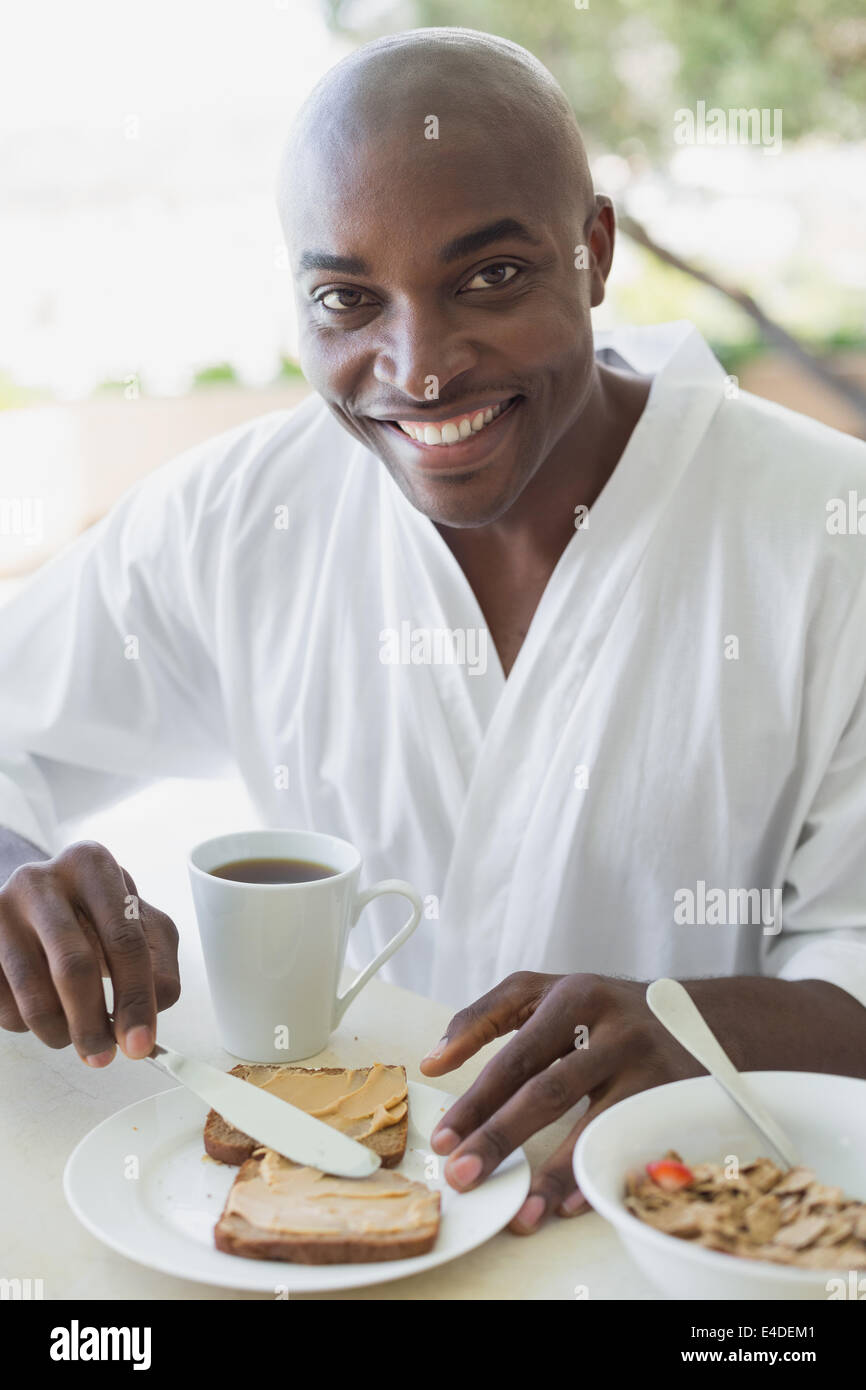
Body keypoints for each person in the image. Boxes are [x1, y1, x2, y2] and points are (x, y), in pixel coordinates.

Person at [2, 29, 866, 1236]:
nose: (416, 370)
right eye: (347, 300)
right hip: (335, 1240)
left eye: (489, 278)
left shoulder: (833, 533)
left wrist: (692, 1023)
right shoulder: (236, 517)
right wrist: (15, 887)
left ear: (594, 250)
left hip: (690, 1254)